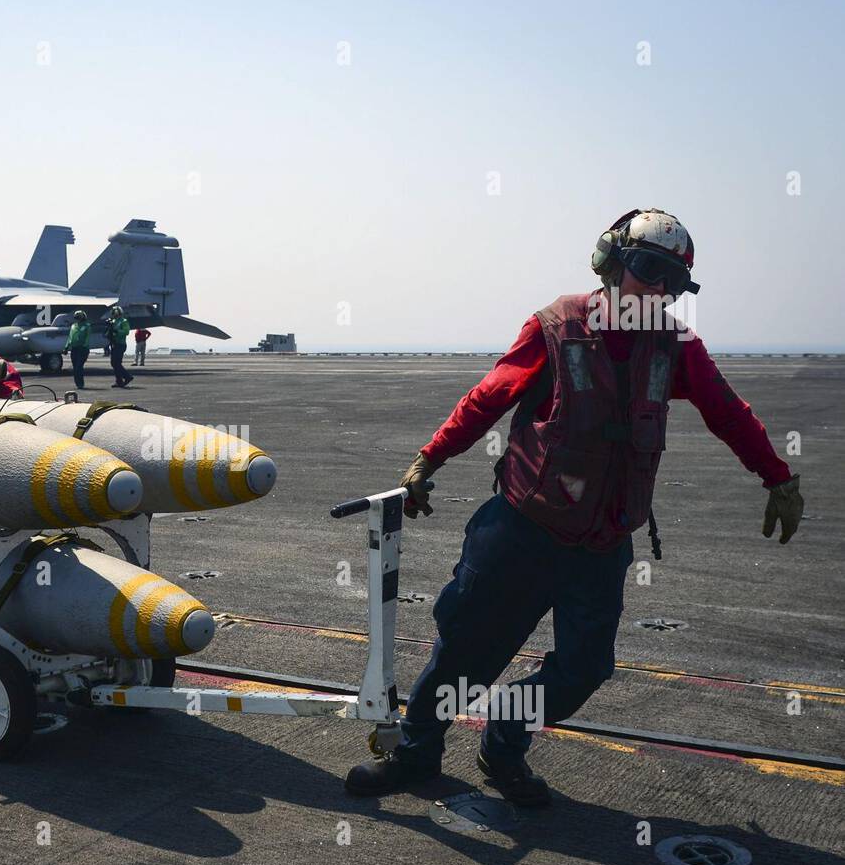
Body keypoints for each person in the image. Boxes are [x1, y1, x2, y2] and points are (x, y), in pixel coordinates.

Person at [345, 209, 804, 806]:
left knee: (584, 669)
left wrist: (777, 478)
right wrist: (426, 463)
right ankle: (415, 756)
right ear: (612, 264)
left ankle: (504, 738)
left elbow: (728, 413)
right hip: (521, 531)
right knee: (467, 653)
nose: (657, 289)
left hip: (603, 544)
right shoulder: (557, 326)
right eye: (647, 269)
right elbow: (487, 398)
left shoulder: (676, 346)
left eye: (672, 281)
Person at [105, 305, 133, 388]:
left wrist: (116, 330)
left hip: (120, 344)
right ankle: (119, 381)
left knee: (116, 363)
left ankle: (127, 377)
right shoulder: (113, 321)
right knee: (114, 363)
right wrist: (108, 328)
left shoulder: (123, 321)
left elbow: (126, 331)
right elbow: (107, 333)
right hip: (114, 344)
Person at [67, 310, 92, 390]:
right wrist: (66, 347)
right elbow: (70, 337)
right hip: (74, 349)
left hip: (83, 349)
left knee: (79, 367)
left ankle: (81, 384)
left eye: (79, 317)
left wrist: (84, 346)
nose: (78, 318)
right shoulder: (73, 326)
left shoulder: (87, 325)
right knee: (75, 368)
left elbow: (87, 337)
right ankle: (78, 383)